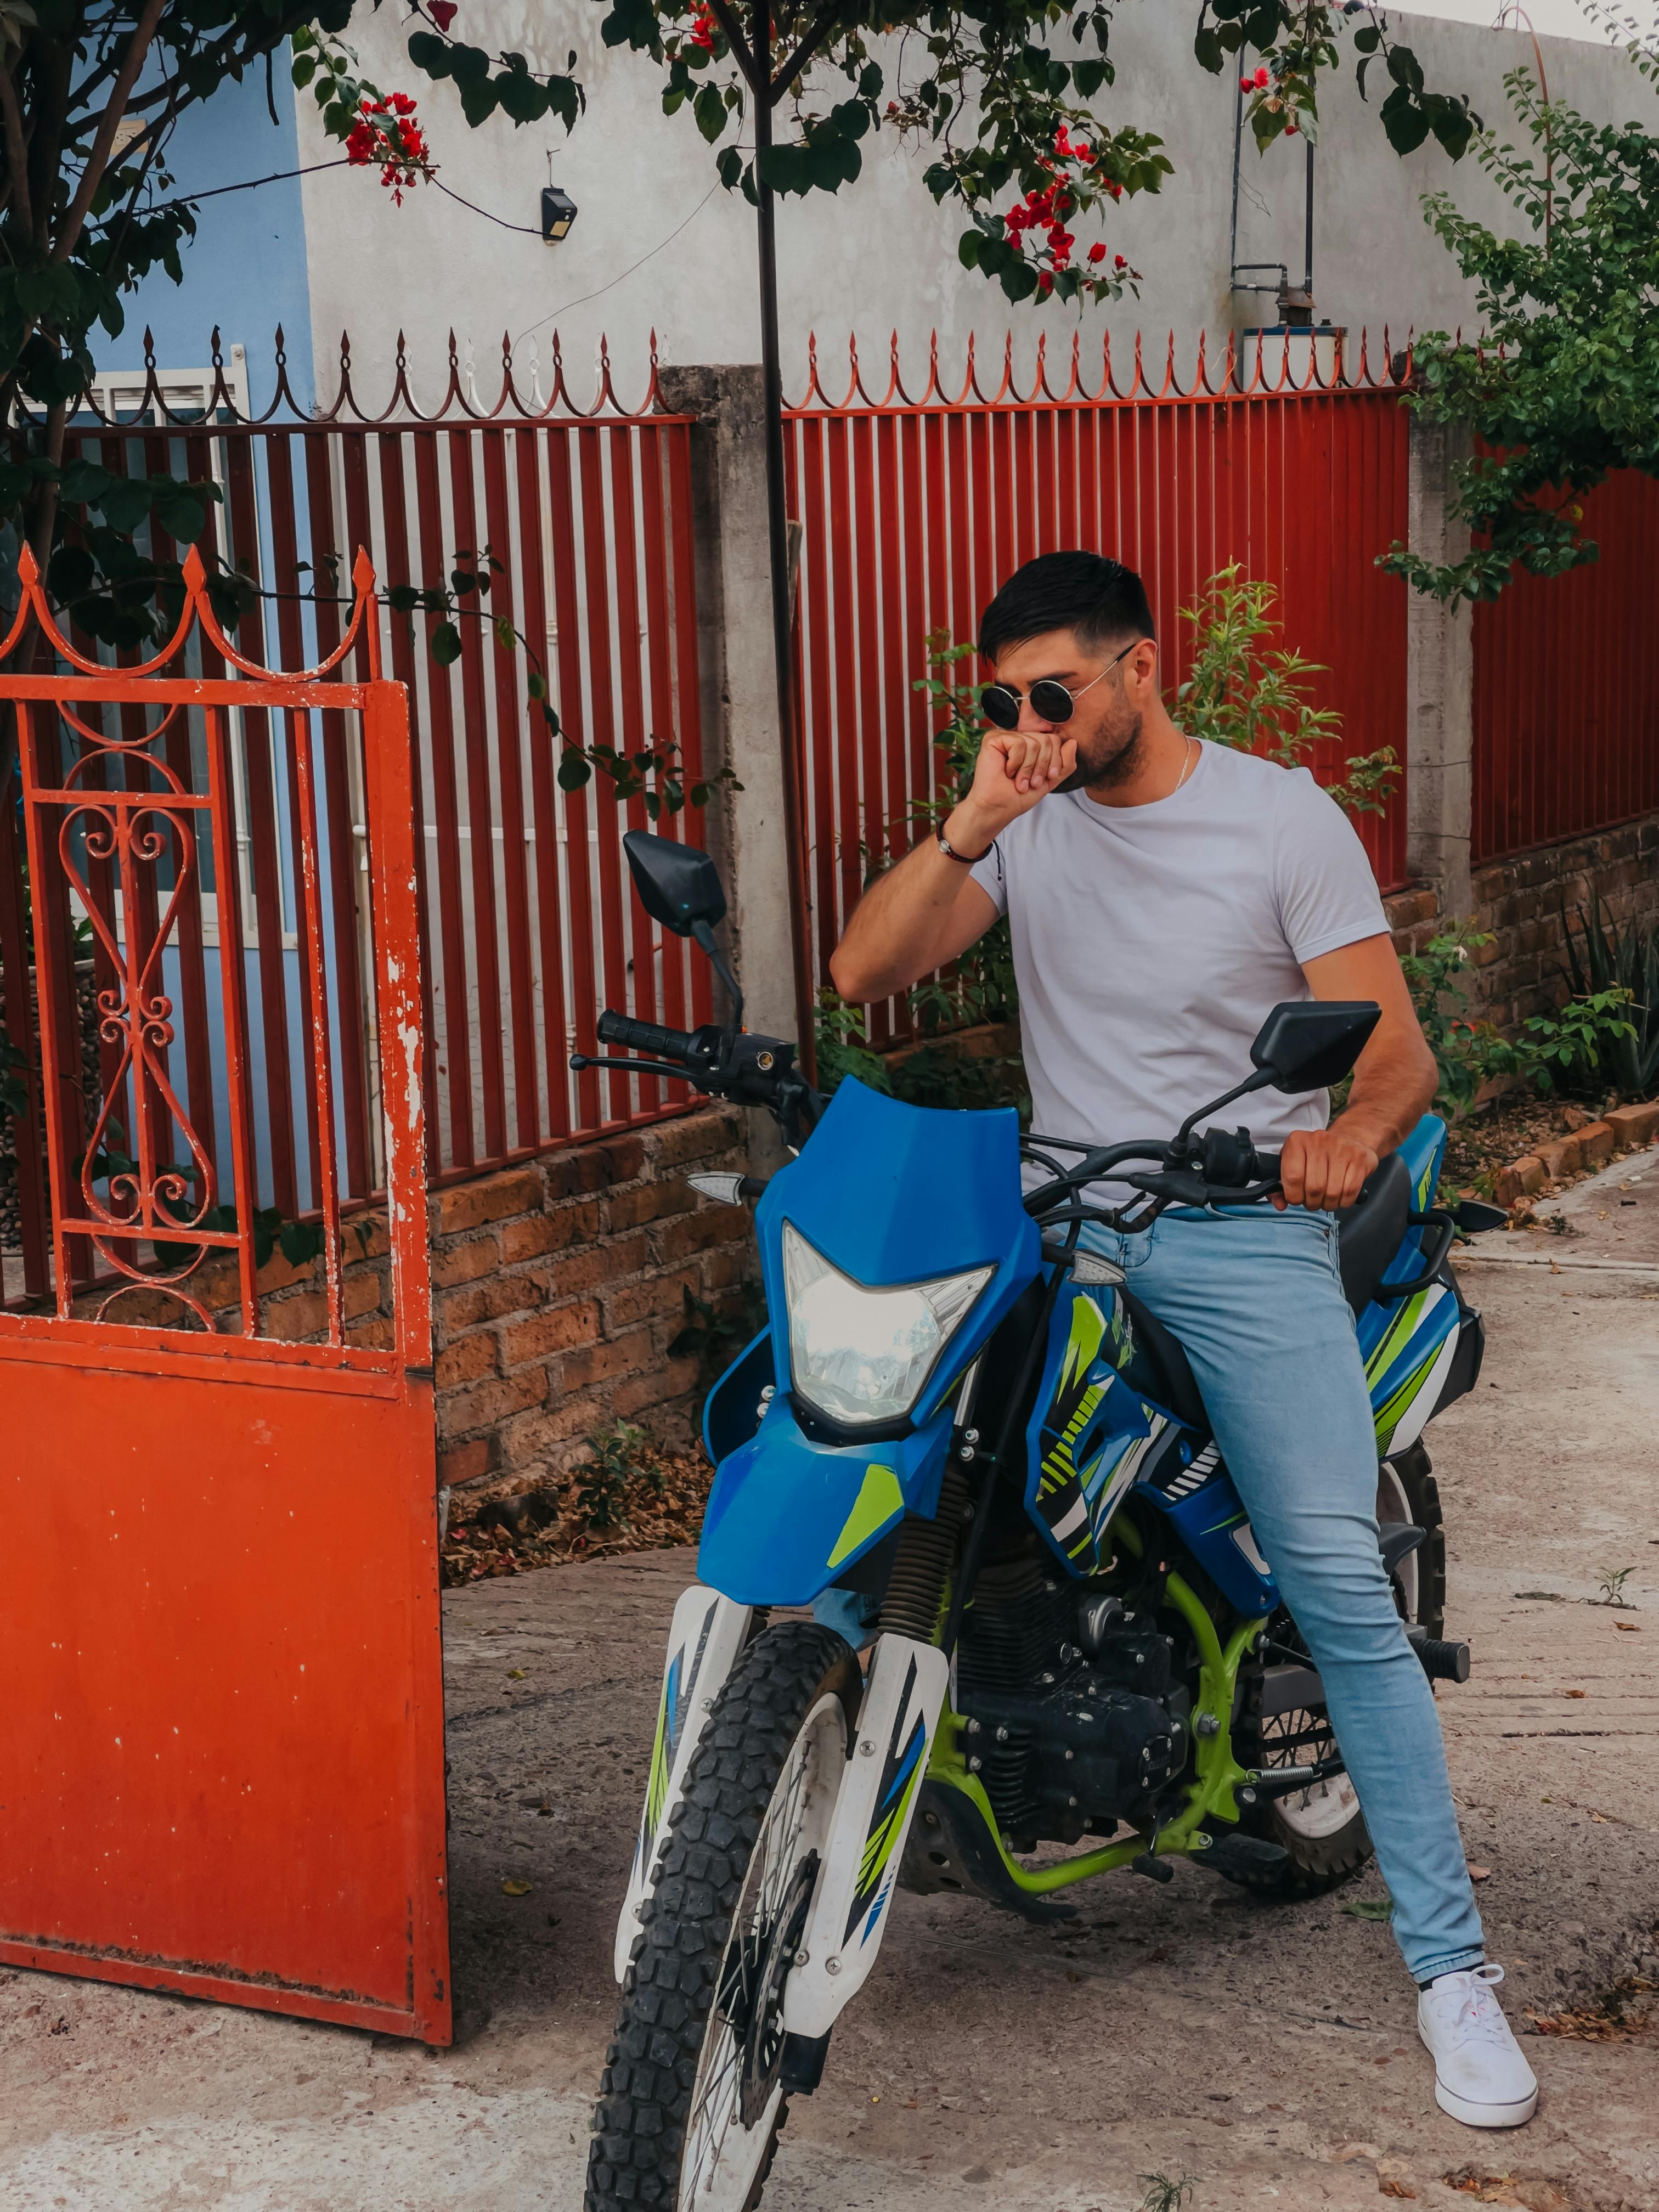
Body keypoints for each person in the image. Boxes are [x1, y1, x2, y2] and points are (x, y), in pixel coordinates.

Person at [829, 549, 1538, 2132]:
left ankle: (1452, 1972)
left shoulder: (1277, 819)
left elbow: (1397, 1057)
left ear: (1141, 669)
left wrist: (1342, 1143)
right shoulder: (1027, 824)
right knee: (892, 1467)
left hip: (1234, 1227)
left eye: (1054, 692)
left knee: (1342, 1582)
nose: (1030, 720)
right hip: (1055, 1218)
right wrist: (978, 817)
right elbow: (866, 971)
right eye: (1004, 699)